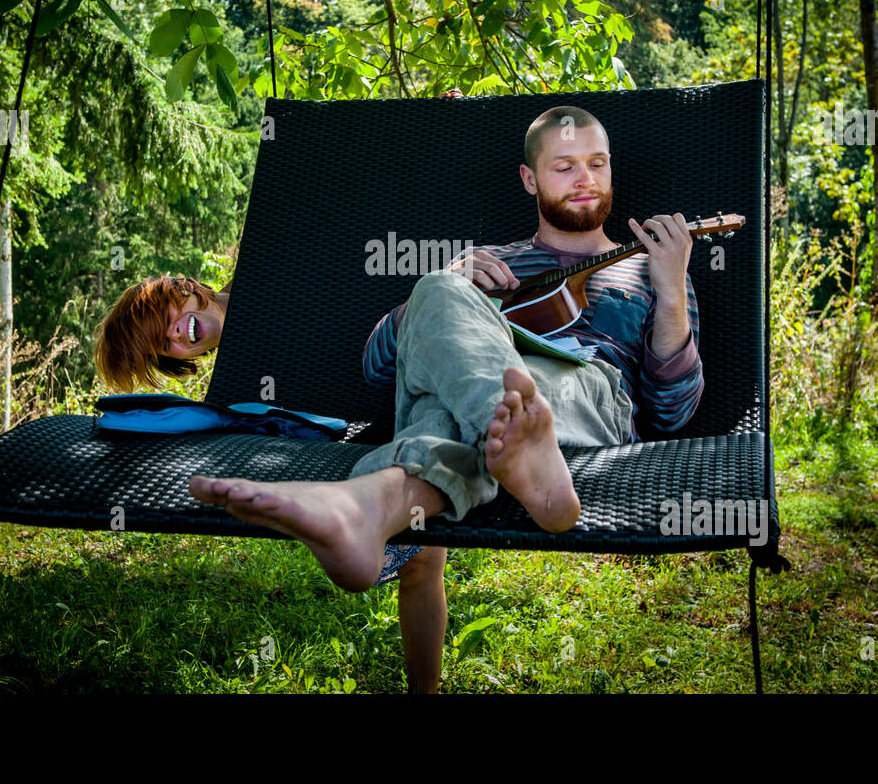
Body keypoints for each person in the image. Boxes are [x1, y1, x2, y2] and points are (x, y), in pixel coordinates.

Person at [188, 102, 705, 692]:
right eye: (564, 167)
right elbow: (378, 365)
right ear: (529, 179)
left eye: (597, 163)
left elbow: (671, 413)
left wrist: (670, 292)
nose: (585, 178)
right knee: (435, 288)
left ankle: (367, 500)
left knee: (457, 405)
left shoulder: (651, 271)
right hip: (490, 398)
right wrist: (449, 284)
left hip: (586, 388)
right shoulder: (494, 263)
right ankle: (488, 468)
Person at [92, 272, 444, 692]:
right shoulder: (240, 387)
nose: (174, 334)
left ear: (183, 288)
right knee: (422, 560)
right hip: (375, 428)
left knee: (424, 558)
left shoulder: (267, 271)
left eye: (162, 318)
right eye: (163, 345)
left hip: (412, 358)